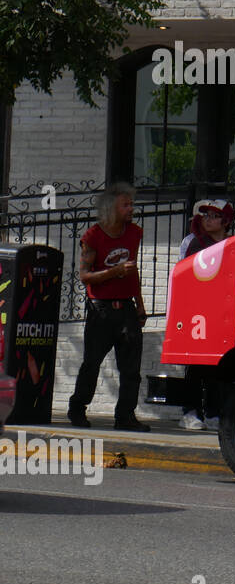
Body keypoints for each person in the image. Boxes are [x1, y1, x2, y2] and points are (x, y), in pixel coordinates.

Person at [67, 182, 150, 432]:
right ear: (110, 208)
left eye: (131, 204)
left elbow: (133, 273)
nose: (130, 209)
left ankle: (125, 416)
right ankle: (77, 408)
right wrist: (114, 271)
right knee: (92, 363)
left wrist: (140, 305)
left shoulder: (134, 233)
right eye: (125, 204)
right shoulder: (93, 237)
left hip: (126, 308)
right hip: (100, 309)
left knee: (131, 367)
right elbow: (84, 276)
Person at [176, 200, 234, 431]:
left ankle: (212, 412)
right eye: (205, 215)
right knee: (195, 364)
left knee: (219, 366)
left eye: (214, 215)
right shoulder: (194, 243)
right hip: (197, 312)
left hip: (221, 313)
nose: (207, 219)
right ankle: (189, 411)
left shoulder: (233, 244)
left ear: (226, 221)